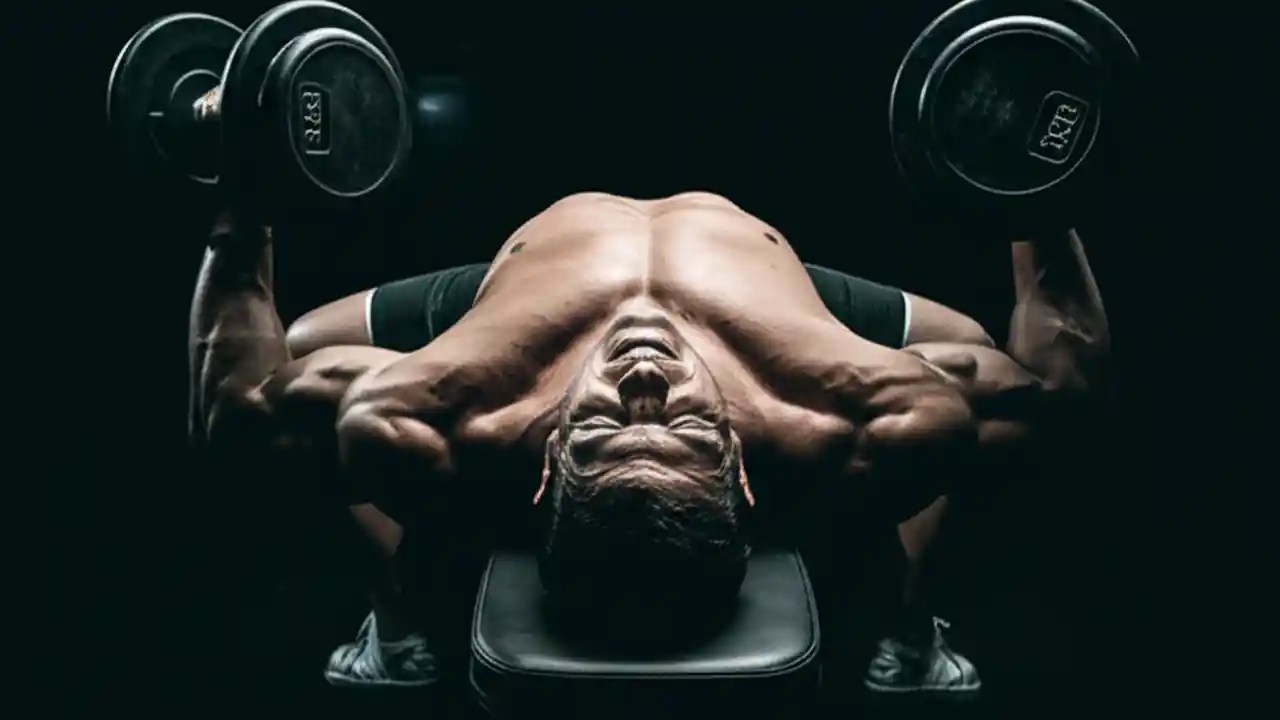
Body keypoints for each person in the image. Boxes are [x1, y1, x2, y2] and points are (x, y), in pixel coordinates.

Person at [189, 191, 1109, 697]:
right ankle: (907, 633)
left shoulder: (437, 419)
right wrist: (1037, 190)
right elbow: (1062, 388)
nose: (644, 385)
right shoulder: (851, 415)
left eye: (603, 427)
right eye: (685, 427)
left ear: (545, 464)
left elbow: (233, 407)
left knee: (301, 361)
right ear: (743, 466)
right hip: (778, 307)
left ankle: (397, 625)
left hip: (510, 307)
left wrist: (241, 200)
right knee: (958, 396)